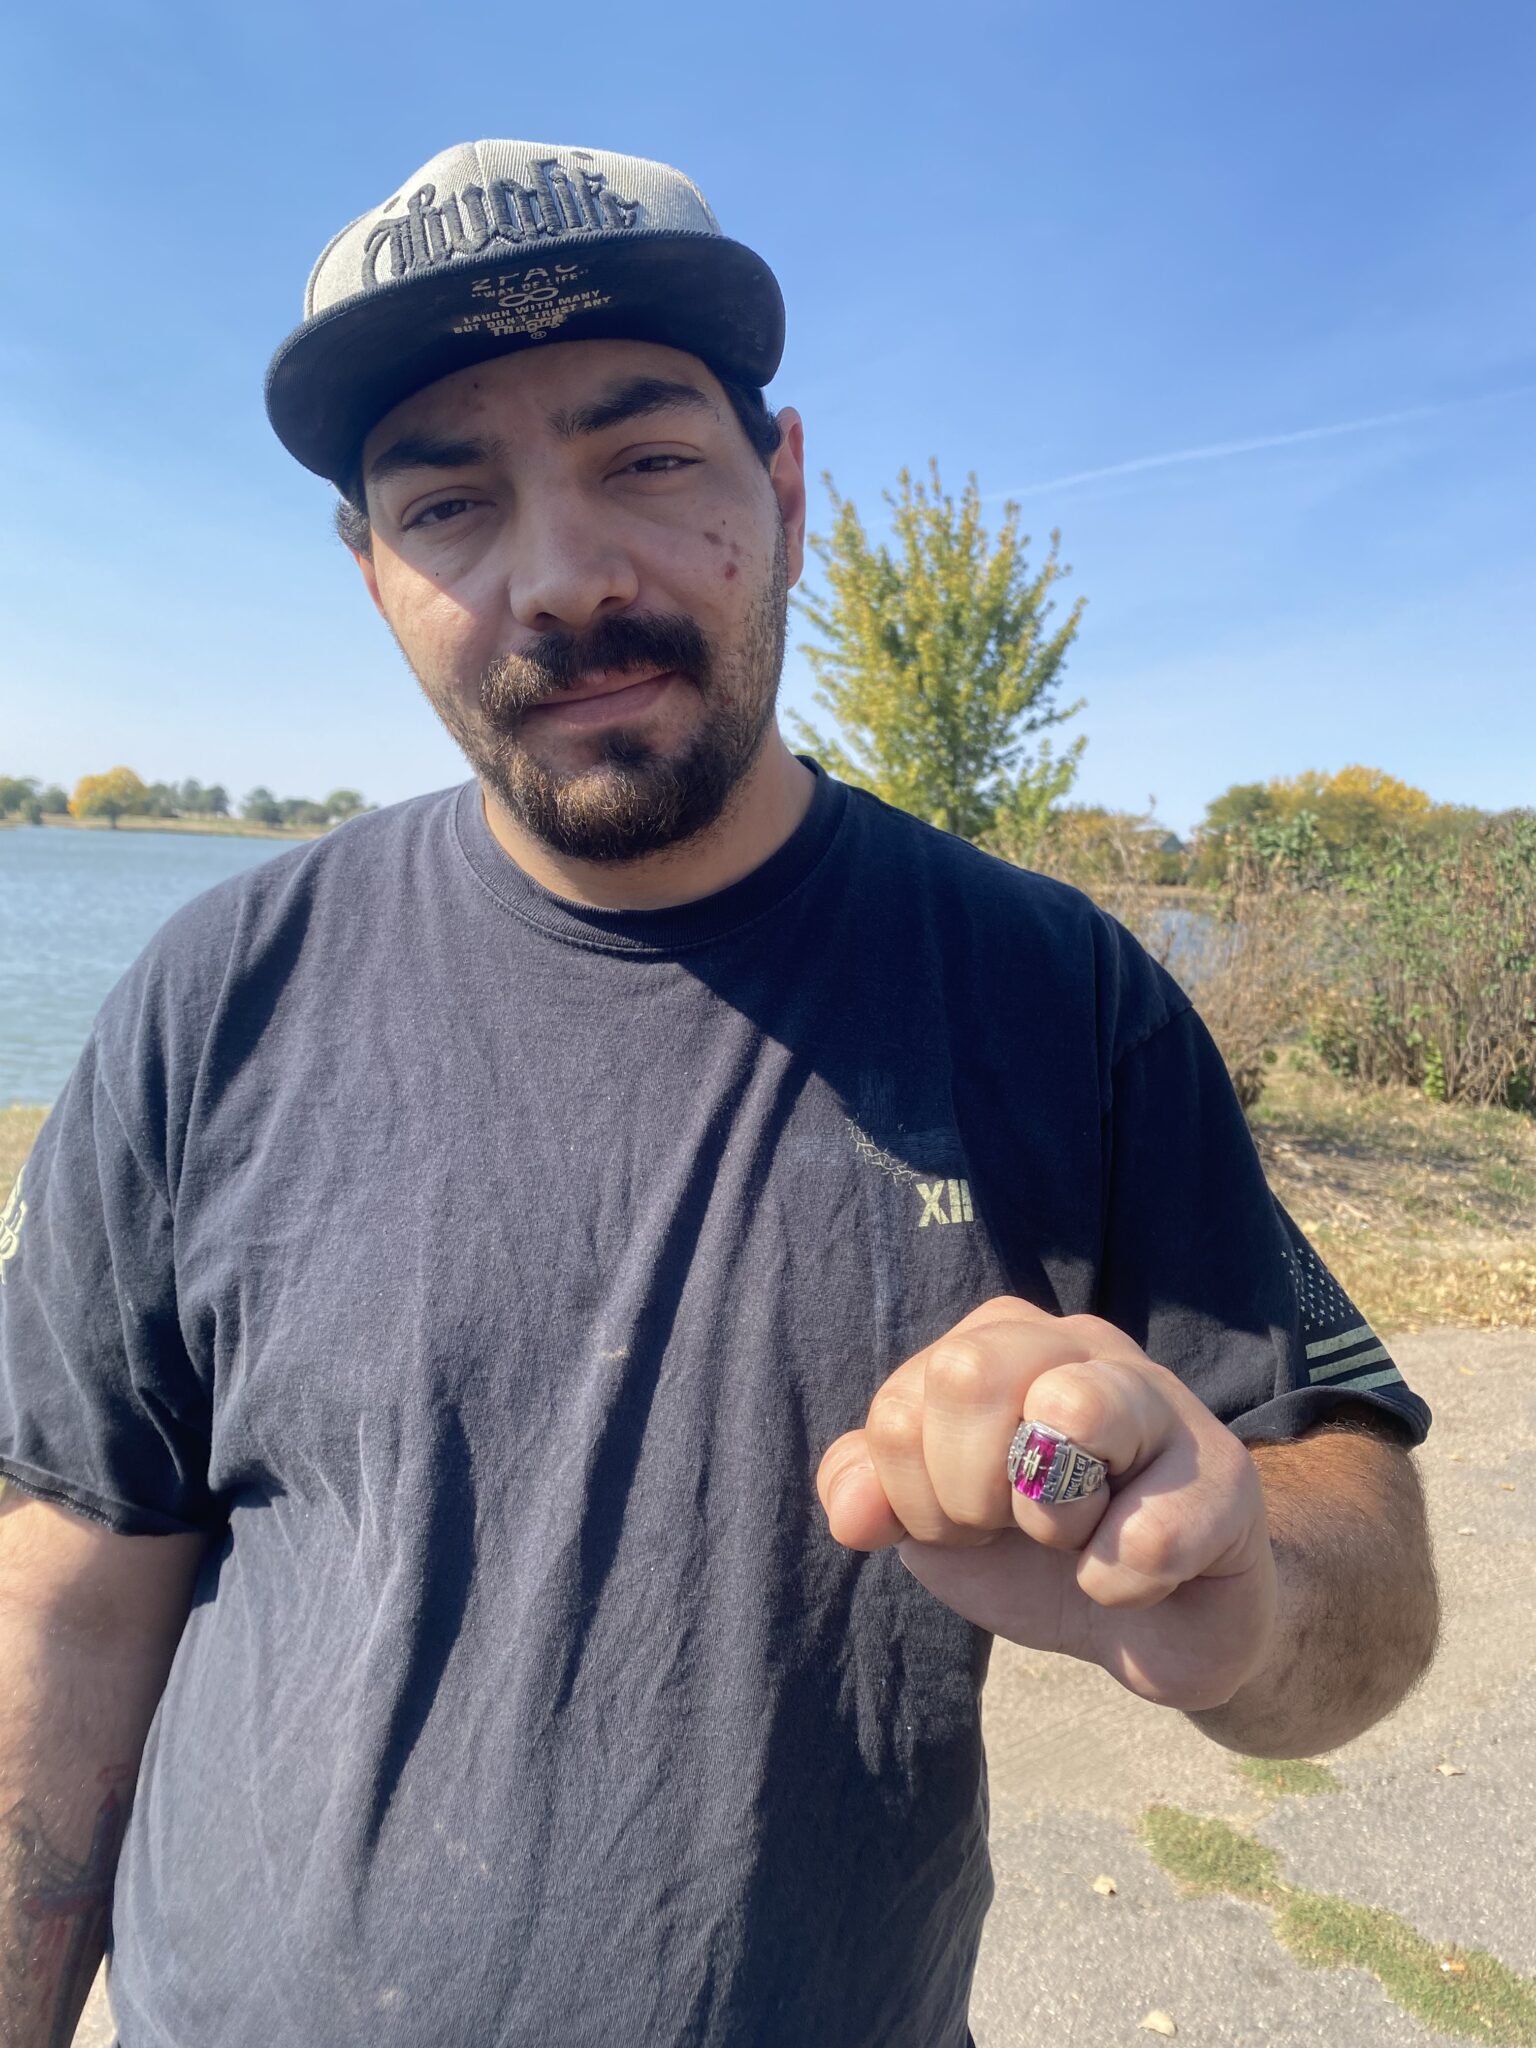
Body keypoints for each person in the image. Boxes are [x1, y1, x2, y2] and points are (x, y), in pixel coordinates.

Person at [0, 139, 1438, 2048]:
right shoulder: (212, 1003)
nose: (563, 576)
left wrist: (1241, 1584)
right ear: (372, 574)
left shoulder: (1052, 995)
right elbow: (71, 1613)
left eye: (646, 458)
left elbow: (1371, 1564)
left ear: (782, 485)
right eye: (447, 500)